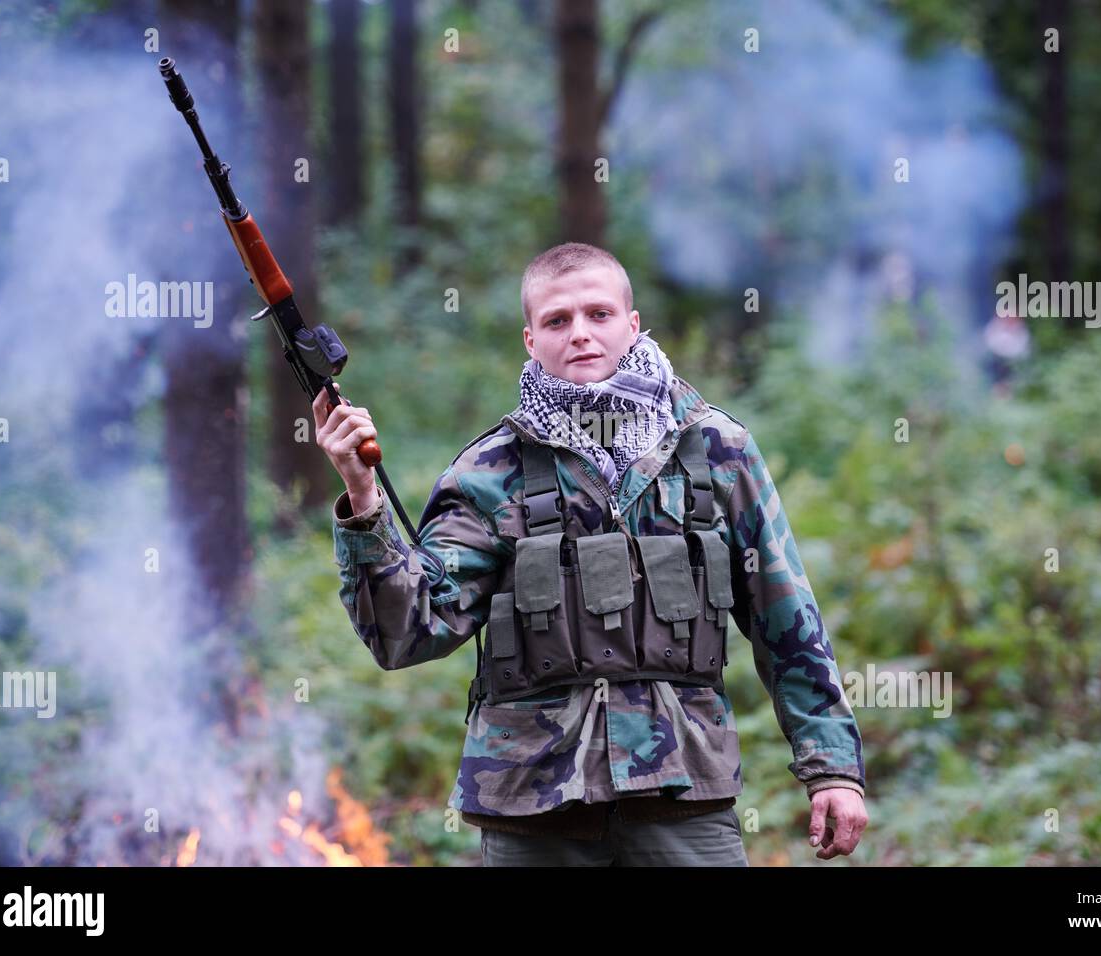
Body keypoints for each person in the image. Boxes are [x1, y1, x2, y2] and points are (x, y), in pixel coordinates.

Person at [315, 242, 867, 866]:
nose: (580, 333)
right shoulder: (489, 472)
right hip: (534, 806)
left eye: (598, 314)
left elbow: (787, 617)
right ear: (531, 339)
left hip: (681, 789)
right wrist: (362, 497)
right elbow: (412, 630)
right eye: (557, 320)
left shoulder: (716, 450)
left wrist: (833, 769)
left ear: (633, 324)